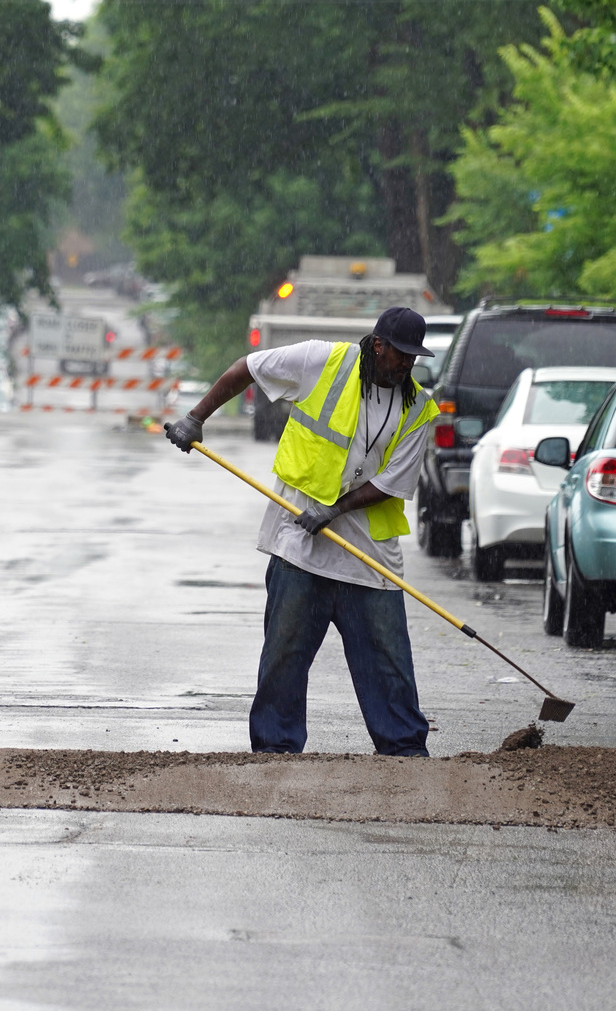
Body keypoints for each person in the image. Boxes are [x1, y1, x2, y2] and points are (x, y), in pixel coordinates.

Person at [163, 306, 440, 755]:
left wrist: (333, 510)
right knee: (283, 660)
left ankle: (405, 754)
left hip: (368, 560)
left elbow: (392, 483)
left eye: (413, 358)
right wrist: (196, 418)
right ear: (377, 345)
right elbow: (247, 368)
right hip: (299, 548)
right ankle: (275, 751)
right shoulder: (323, 361)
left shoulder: (419, 409)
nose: (405, 365)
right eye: (399, 355)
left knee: (389, 667)